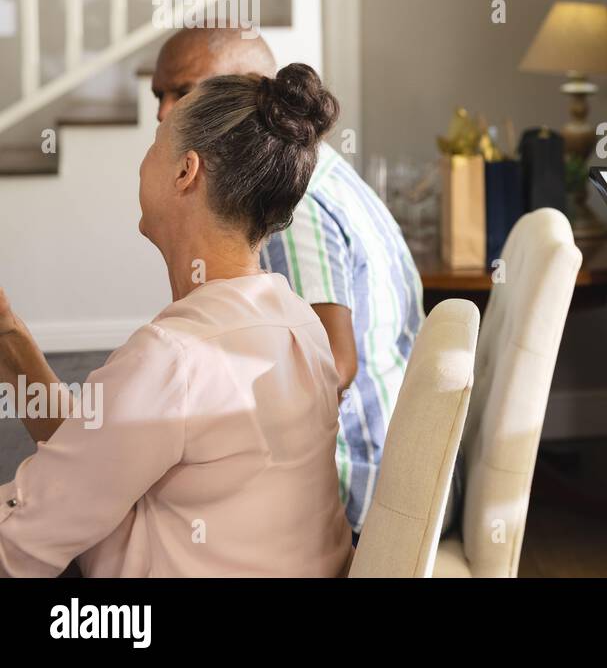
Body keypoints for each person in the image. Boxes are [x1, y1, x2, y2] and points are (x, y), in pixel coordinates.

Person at [0, 64, 353, 576]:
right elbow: (98, 453)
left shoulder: (175, 357)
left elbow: (19, 545)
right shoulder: (299, 324)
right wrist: (10, 336)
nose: (141, 163)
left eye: (155, 143)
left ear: (185, 171)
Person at [151, 29, 425, 537]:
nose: (165, 113)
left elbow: (330, 368)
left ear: (255, 94)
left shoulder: (293, 210)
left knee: (132, 500)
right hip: (405, 478)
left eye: (185, 92)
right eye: (159, 96)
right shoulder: (326, 174)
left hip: (361, 493)